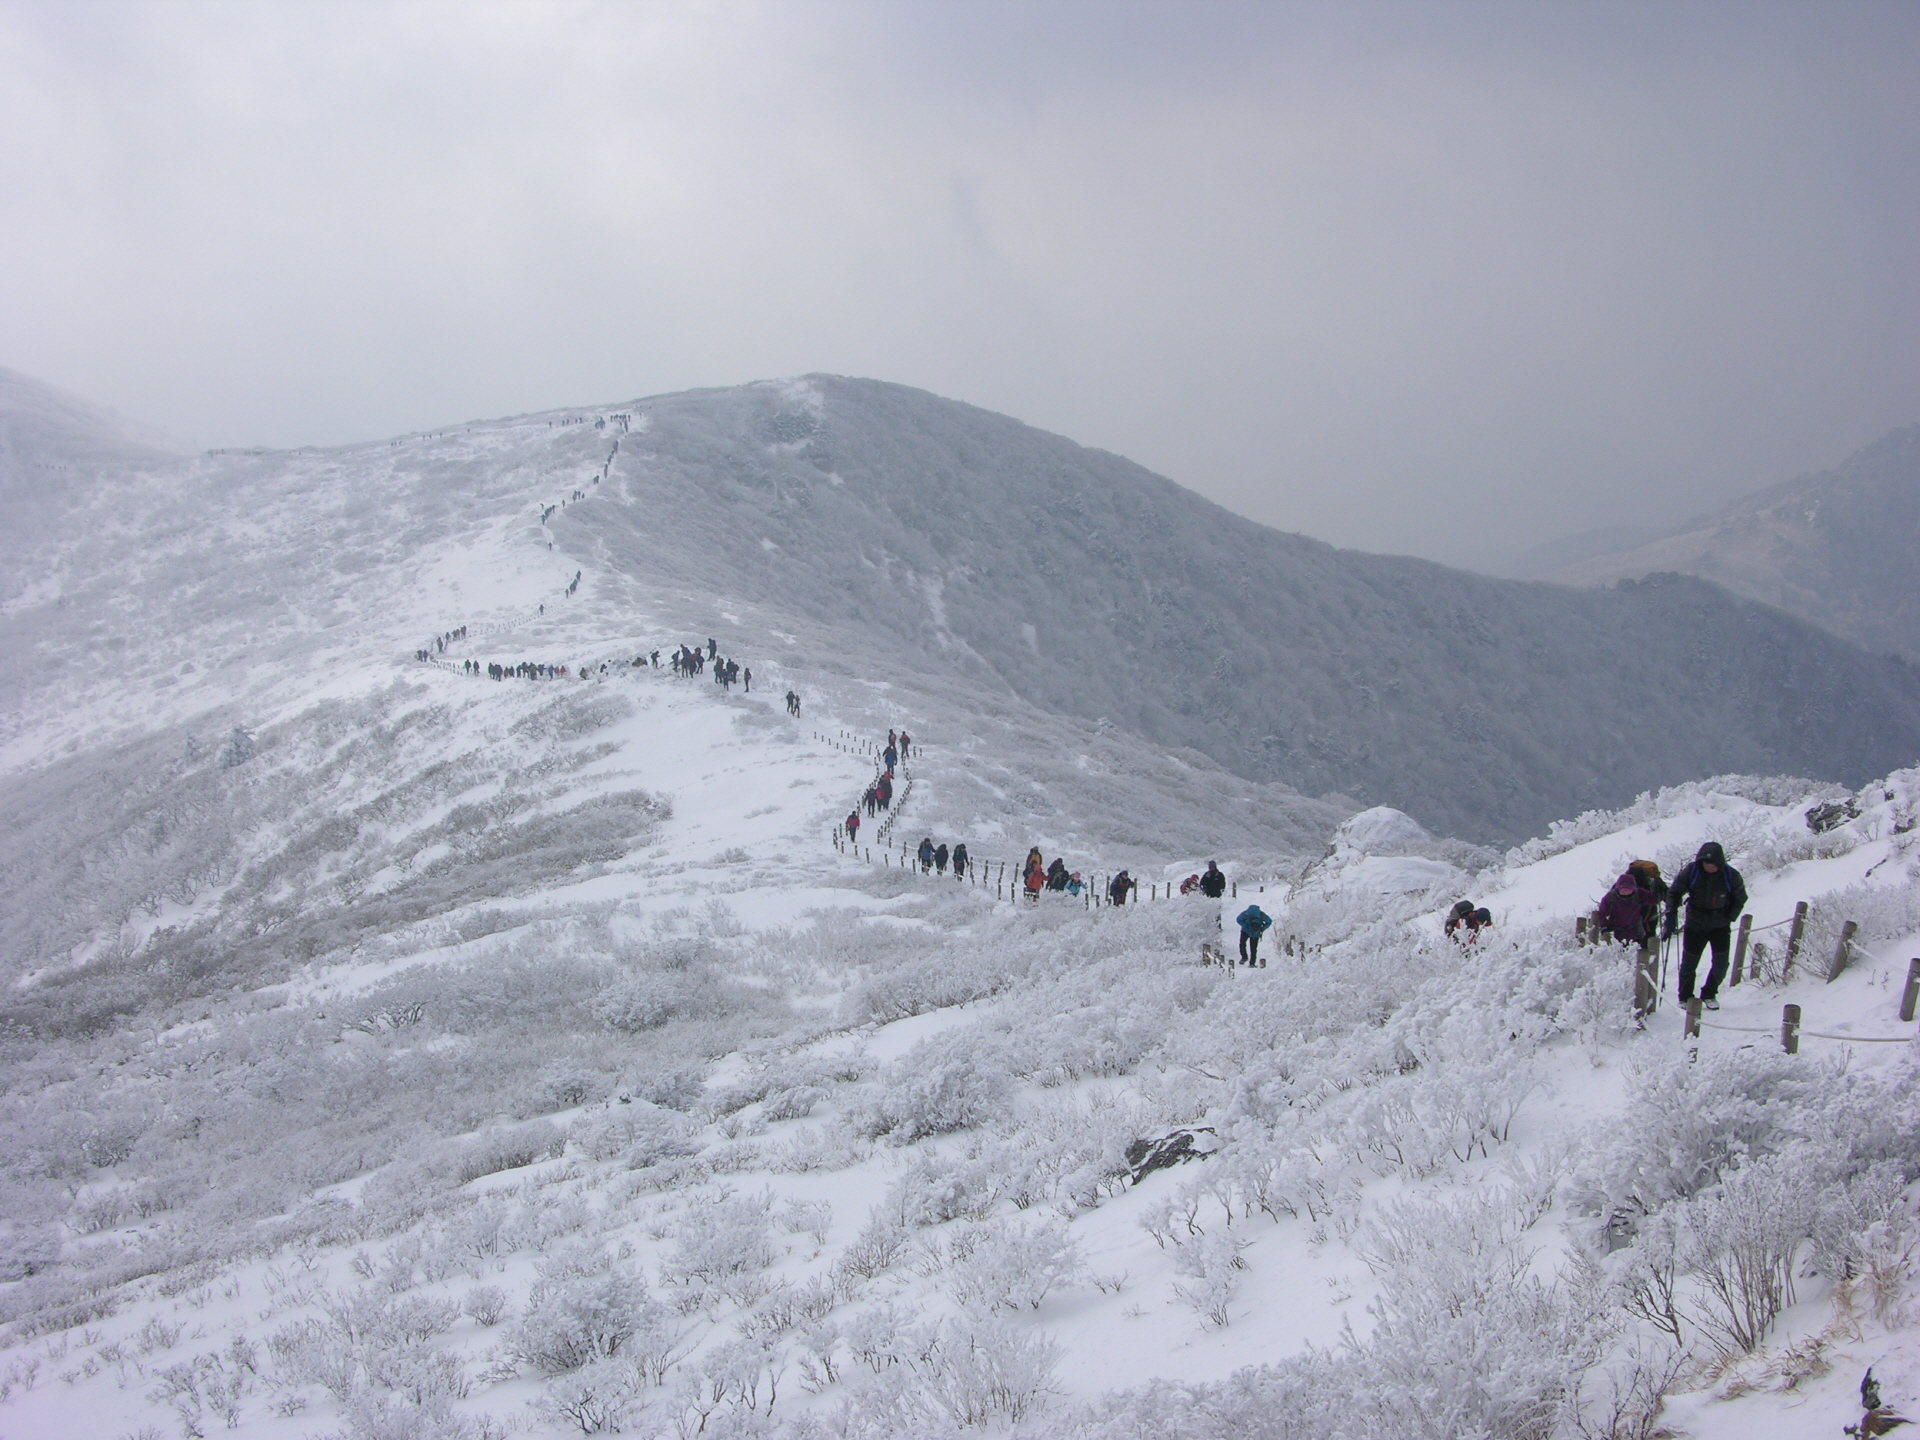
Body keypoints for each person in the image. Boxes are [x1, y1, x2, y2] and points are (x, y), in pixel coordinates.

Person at [1664, 841, 1747, 1011]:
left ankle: (1709, 994)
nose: (1709, 866)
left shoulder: (1730, 875)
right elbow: (1674, 892)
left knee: (1721, 964)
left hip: (1720, 925)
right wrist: (1671, 914)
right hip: (1695, 923)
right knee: (1689, 962)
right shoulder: (1692, 871)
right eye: (1706, 863)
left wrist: (1729, 917)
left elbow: (1740, 898)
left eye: (1712, 863)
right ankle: (1685, 997)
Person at [1594, 873, 1648, 947]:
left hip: (1636, 936)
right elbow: (1601, 913)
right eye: (1623, 890)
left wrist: (1660, 891)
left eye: (1628, 890)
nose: (1625, 893)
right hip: (1615, 937)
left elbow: (1654, 897)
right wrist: (1604, 928)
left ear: (1633, 889)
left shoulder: (1639, 894)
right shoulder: (1611, 897)